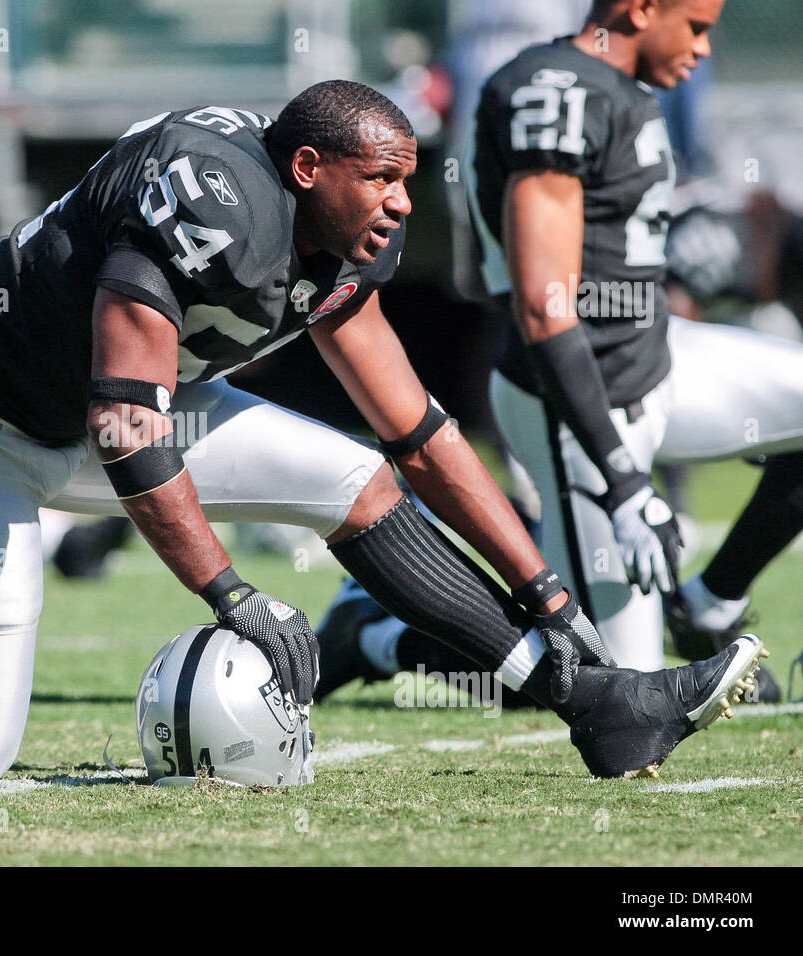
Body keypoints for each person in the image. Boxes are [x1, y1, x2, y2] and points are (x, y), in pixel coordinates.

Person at [0, 83, 768, 804]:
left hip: (110, 416)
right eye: (378, 180)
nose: (399, 204)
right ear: (309, 164)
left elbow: (423, 438)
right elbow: (129, 427)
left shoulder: (330, 251)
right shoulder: (205, 206)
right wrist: (231, 588)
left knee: (352, 477)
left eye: (408, 179)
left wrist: (545, 594)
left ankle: (592, 703)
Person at [318, 0, 800, 703]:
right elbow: (546, 310)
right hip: (575, 399)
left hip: (655, 355)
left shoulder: (620, 85)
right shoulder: (554, 93)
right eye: (695, 26)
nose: (703, 49)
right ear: (640, 10)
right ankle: (374, 635)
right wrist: (627, 481)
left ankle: (709, 603)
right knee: (607, 684)